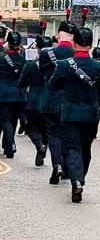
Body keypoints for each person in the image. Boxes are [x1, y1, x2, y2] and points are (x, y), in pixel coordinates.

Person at [45, 26, 100, 203]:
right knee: (86, 147)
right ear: (90, 44)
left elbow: (52, 86)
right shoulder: (99, 66)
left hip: (70, 112)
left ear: (74, 43)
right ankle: (80, 177)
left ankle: (76, 180)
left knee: (72, 147)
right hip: (91, 114)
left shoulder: (64, 65)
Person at [38, 13, 77, 185]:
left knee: (53, 136)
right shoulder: (76, 55)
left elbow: (42, 74)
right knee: (68, 136)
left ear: (59, 34)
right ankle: (67, 168)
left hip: (51, 99)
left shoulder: (47, 54)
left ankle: (57, 165)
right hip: (70, 100)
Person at [19, 35, 49, 167]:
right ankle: (42, 148)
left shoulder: (31, 65)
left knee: (30, 127)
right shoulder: (55, 66)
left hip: (34, 101)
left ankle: (39, 145)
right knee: (46, 130)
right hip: (48, 101)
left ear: (37, 48)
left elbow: (22, 83)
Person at [0, 30, 26, 158]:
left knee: (4, 120)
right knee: (13, 121)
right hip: (18, 94)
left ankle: (11, 144)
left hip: (3, 93)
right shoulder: (23, 60)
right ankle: (7, 147)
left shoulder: (1, 58)